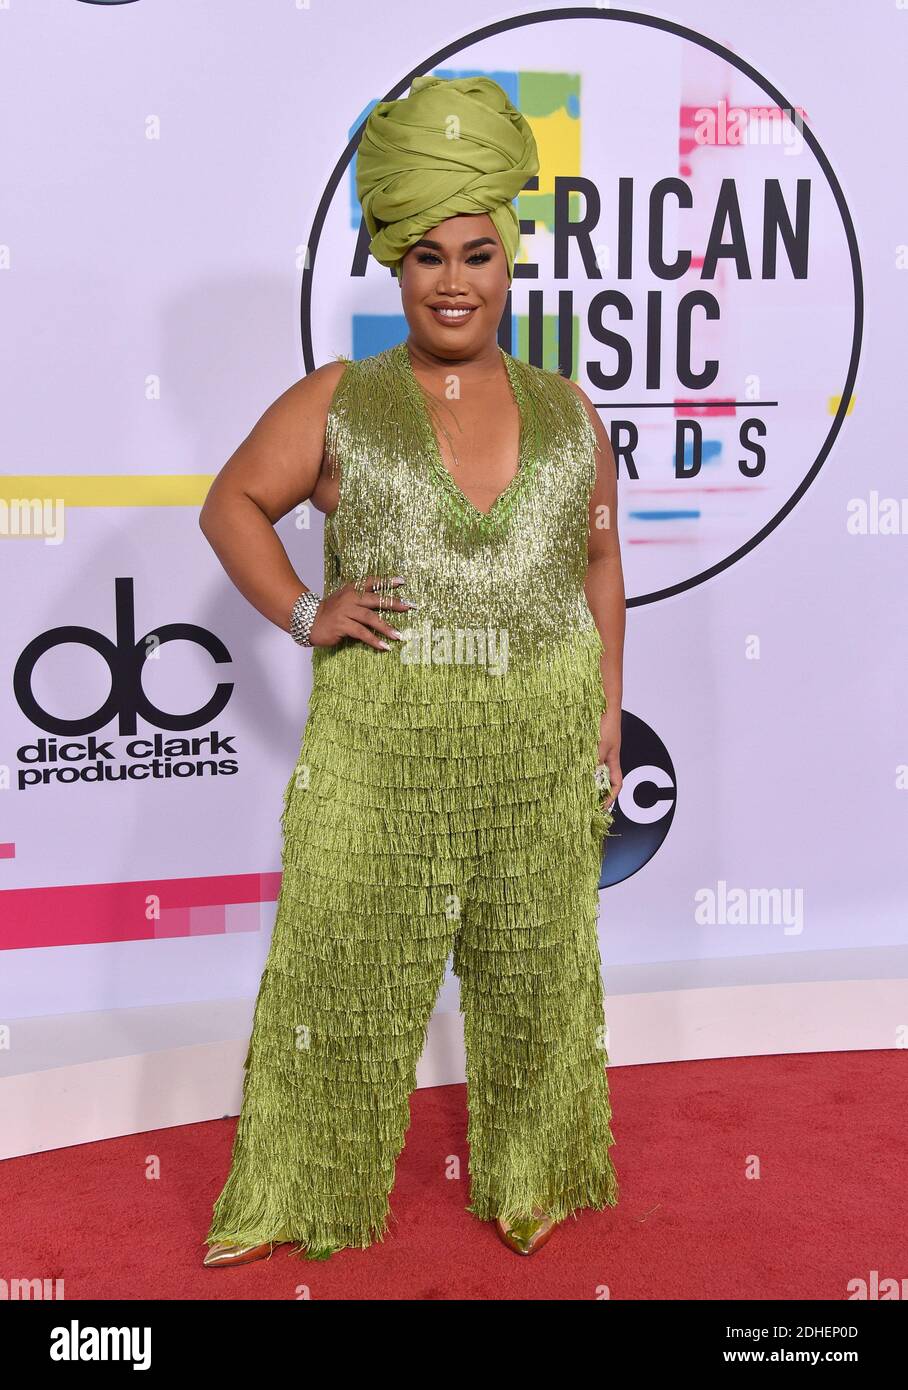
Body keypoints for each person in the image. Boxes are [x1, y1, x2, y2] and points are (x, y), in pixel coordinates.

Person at [199, 74, 625, 1267]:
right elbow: (231, 502)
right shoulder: (342, 400)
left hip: (537, 746)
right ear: (393, 265)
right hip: (376, 752)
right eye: (427, 253)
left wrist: (604, 716)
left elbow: (598, 573)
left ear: (510, 262)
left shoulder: (569, 410)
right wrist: (300, 609)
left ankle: (533, 1175)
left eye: (477, 253)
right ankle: (299, 1188)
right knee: (335, 971)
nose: (452, 279)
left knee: (538, 976)